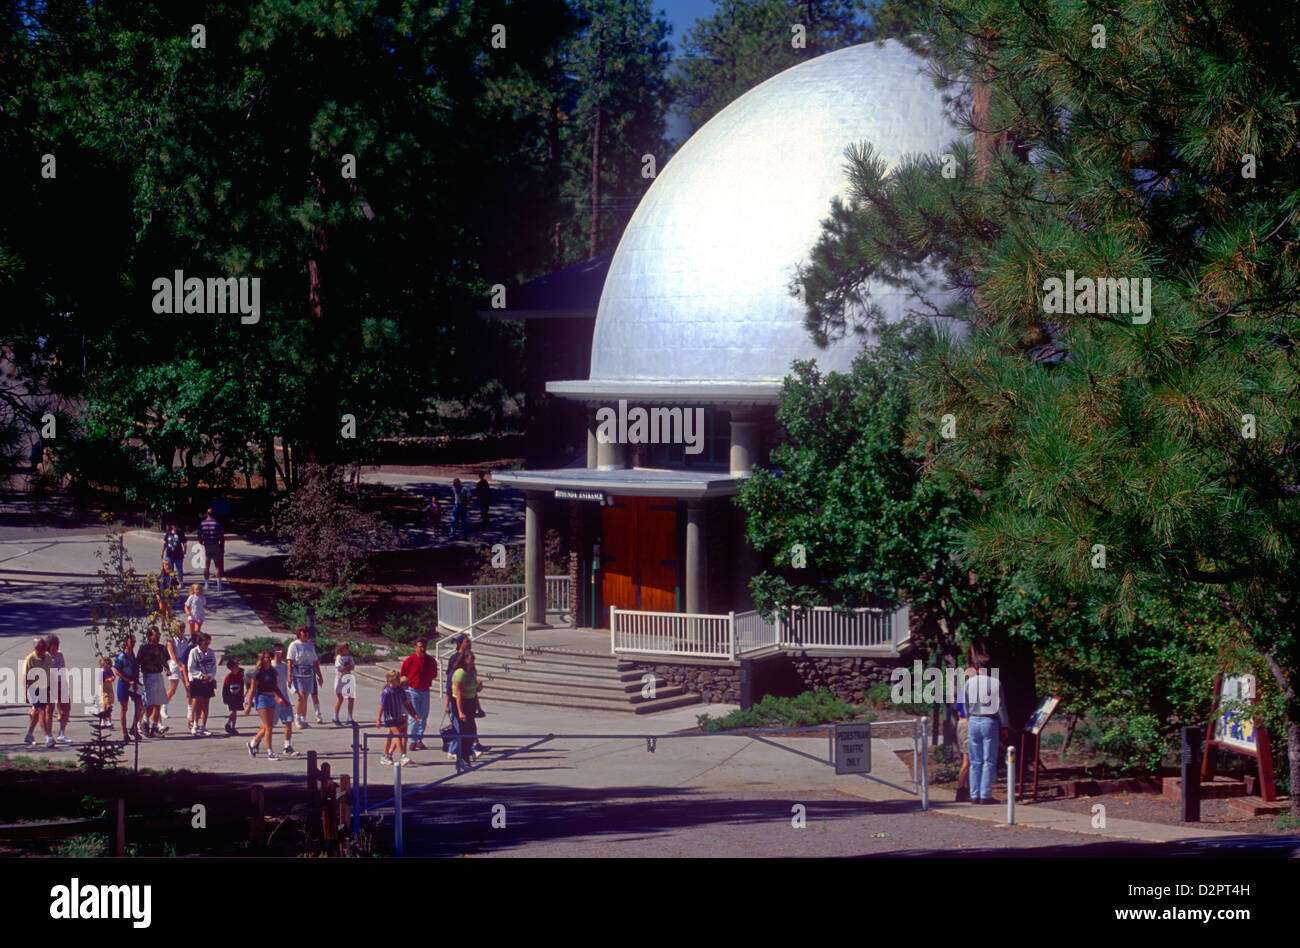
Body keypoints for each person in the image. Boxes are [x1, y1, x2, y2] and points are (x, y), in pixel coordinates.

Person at [962, 647, 1010, 805]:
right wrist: (1004, 726)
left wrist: (969, 718)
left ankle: (974, 794)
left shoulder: (970, 682)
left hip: (974, 719)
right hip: (990, 720)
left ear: (977, 667)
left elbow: (966, 704)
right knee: (989, 759)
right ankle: (985, 793)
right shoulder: (996, 683)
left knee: (975, 760)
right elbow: (1001, 706)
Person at [244, 652, 291, 760]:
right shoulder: (258, 673)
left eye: (269, 657)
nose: (269, 659)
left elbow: (276, 688)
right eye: (266, 658)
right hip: (261, 699)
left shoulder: (272, 672)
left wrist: (283, 699)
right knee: (269, 726)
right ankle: (270, 751)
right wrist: (248, 704)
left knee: (267, 726)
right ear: (262, 660)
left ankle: (253, 743)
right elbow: (252, 690)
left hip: (271, 699)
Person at [399, 636, 438, 750]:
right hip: (413, 691)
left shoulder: (430, 661)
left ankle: (419, 739)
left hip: (425, 691)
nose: (422, 649)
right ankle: (412, 740)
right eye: (420, 647)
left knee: (424, 716)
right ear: (415, 647)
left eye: (424, 646)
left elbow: (434, 674)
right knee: (414, 716)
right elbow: (403, 675)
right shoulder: (409, 660)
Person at [451, 651, 484, 766]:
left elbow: (474, 690)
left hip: (470, 703)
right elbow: (458, 694)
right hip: (461, 704)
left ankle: (466, 756)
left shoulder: (472, 672)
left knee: (472, 731)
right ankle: (462, 758)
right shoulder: (460, 673)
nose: (473, 661)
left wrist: (479, 687)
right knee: (465, 731)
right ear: (464, 660)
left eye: (474, 659)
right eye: (471, 659)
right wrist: (460, 712)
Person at [377, 671, 416, 766]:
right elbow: (382, 706)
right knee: (398, 735)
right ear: (391, 680)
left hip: (398, 716)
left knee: (390, 736)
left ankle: (385, 755)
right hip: (390, 717)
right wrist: (378, 719)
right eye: (397, 679)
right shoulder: (387, 692)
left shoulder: (400, 690)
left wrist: (413, 714)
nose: (399, 680)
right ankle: (402, 756)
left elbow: (406, 703)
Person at [287, 625, 324, 726]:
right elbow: (290, 661)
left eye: (307, 632)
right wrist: (289, 676)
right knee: (302, 696)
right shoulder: (294, 645)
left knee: (306, 697)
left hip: (309, 673)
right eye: (303, 632)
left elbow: (315, 661)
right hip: (298, 673)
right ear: (299, 633)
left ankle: (303, 719)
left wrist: (320, 675)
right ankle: (297, 718)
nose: (306, 634)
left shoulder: (310, 645)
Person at [137, 628, 171, 737]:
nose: (158, 637)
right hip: (148, 676)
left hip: (158, 675)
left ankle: (155, 727)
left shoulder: (161, 648)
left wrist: (167, 669)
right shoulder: (144, 648)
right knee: (150, 702)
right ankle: (145, 722)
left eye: (158, 635)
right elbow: (138, 663)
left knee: (159, 702)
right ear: (150, 636)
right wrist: (136, 678)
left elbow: (164, 661)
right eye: (155, 635)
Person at [22, 637, 54, 747]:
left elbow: (51, 673)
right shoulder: (30, 659)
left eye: (45, 647)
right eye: (41, 647)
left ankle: (29, 735)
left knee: (36, 712)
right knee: (41, 710)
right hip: (33, 687)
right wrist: (25, 693)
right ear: (36, 648)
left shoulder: (48, 657)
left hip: (45, 687)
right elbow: (25, 676)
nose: (44, 649)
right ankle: (48, 737)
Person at [113, 634, 144, 742]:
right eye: (132, 642)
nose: (133, 644)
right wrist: (127, 679)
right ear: (126, 643)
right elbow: (116, 670)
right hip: (124, 683)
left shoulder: (133, 656)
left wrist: (137, 681)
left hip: (134, 682)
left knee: (140, 704)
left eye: (135, 642)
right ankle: (124, 732)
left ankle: (134, 727)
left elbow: (136, 669)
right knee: (124, 707)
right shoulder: (122, 656)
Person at [186, 633, 217, 736]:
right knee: (197, 701)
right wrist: (201, 676)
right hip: (196, 680)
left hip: (208, 680)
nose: (207, 645)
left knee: (206, 703)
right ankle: (194, 724)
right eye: (205, 643)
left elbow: (213, 666)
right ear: (200, 642)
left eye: (208, 643)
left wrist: (210, 676)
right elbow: (191, 668)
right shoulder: (194, 652)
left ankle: (203, 726)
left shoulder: (211, 653)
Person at [45, 635, 72, 745]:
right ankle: (49, 734)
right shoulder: (45, 657)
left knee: (67, 707)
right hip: (49, 686)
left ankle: (62, 733)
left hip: (61, 684)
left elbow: (62, 669)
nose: (56, 649)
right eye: (54, 646)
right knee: (49, 710)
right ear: (49, 646)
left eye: (57, 646)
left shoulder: (60, 655)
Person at [271, 644, 296, 755]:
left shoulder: (285, 666)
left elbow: (289, 682)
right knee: (268, 726)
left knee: (289, 722)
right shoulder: (271, 667)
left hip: (285, 700)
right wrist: (277, 698)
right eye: (280, 651)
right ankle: (255, 742)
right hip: (273, 701)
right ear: (275, 652)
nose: (283, 653)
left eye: (283, 650)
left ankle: (287, 746)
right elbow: (271, 686)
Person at [165, 621, 191, 721]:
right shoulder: (171, 640)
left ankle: (189, 709)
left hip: (184, 664)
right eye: (180, 628)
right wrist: (178, 666)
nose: (182, 630)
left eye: (183, 628)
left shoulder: (185, 640)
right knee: (173, 690)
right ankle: (164, 706)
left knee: (188, 688)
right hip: (175, 665)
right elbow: (172, 654)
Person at [197, 508, 224, 591]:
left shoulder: (202, 523)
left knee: (206, 566)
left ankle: (206, 584)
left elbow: (199, 535)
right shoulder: (217, 523)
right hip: (216, 545)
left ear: (206, 514)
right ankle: (219, 583)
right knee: (217, 566)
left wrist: (201, 542)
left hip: (207, 546)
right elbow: (222, 536)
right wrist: (222, 546)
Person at [332, 641, 356, 725]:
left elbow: (352, 667)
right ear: (341, 649)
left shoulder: (349, 657)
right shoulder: (339, 658)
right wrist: (348, 666)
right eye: (346, 648)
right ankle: (335, 716)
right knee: (340, 698)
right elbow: (341, 669)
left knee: (351, 698)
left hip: (348, 679)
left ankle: (350, 717)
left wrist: (349, 667)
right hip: (340, 680)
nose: (348, 649)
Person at [222, 658, 246, 735]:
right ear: (231, 668)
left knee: (235, 712)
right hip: (231, 698)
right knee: (234, 711)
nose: (237, 667)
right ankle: (231, 725)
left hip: (238, 697)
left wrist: (242, 697)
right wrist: (225, 699)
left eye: (238, 666)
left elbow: (242, 687)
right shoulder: (228, 677)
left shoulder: (240, 676)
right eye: (236, 666)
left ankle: (231, 725)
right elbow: (225, 689)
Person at [162, 521, 186, 586]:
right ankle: (171, 582)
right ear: (172, 526)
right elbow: (166, 543)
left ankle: (180, 581)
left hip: (178, 555)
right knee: (169, 569)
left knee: (179, 569)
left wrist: (184, 550)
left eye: (177, 526)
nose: (176, 527)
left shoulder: (180, 533)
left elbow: (184, 542)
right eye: (174, 526)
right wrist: (162, 551)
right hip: (169, 554)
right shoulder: (168, 533)